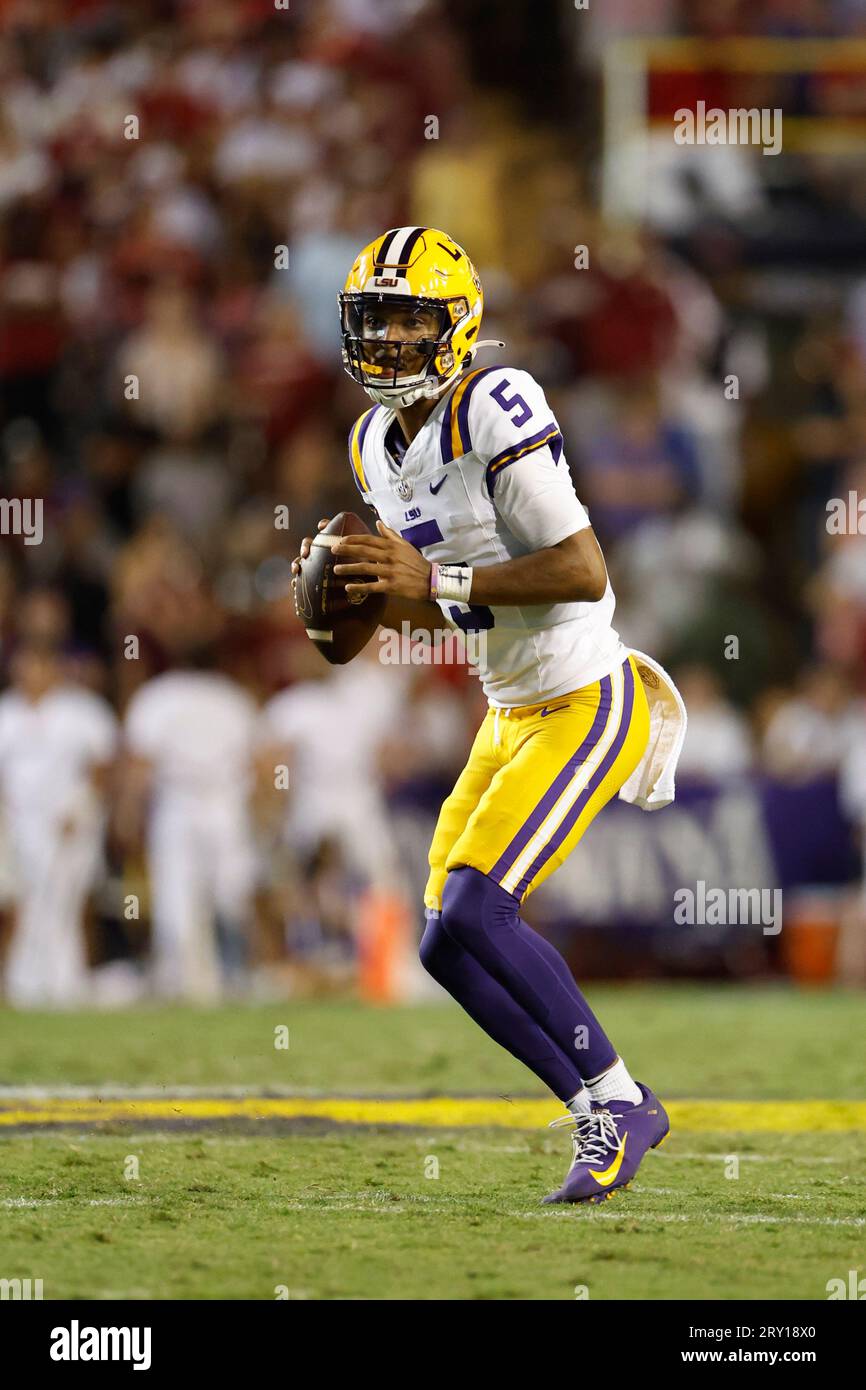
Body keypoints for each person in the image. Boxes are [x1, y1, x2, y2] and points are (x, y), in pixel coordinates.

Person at [293, 227, 686, 1204]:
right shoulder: (369, 446)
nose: (388, 337)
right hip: (507, 709)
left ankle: (622, 1098)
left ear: (455, 327)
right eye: (374, 318)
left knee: (478, 905)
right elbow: (442, 604)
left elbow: (580, 569)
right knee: (440, 940)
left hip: (587, 695)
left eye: (409, 319)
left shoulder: (492, 405)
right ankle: (594, 1106)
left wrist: (432, 579)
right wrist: (359, 600)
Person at [0, 642, 117, 1007]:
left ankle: (64, 980)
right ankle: (29, 982)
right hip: (20, 823)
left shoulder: (81, 711)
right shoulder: (7, 712)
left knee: (62, 899)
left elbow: (103, 764)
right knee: (28, 900)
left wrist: (80, 806)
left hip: (69, 821)